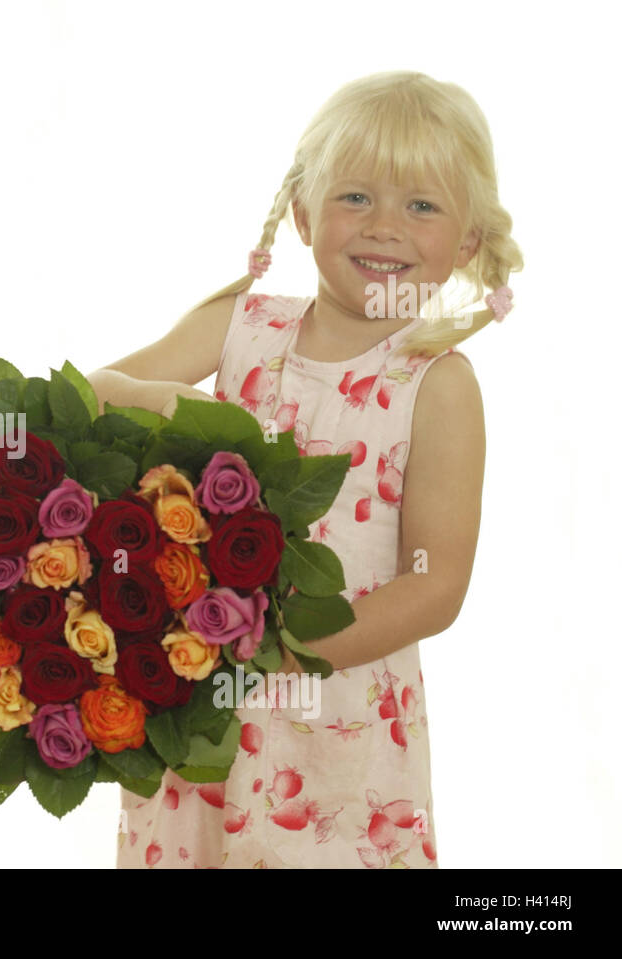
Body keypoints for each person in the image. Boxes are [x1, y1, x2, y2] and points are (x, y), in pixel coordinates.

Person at [89, 72, 521, 868]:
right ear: (301, 213)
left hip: (336, 718)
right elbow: (92, 402)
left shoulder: (436, 381)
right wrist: (168, 406)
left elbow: (434, 585)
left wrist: (279, 651)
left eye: (421, 205)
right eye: (355, 196)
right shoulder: (241, 328)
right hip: (200, 696)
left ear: (465, 243)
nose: (384, 227)